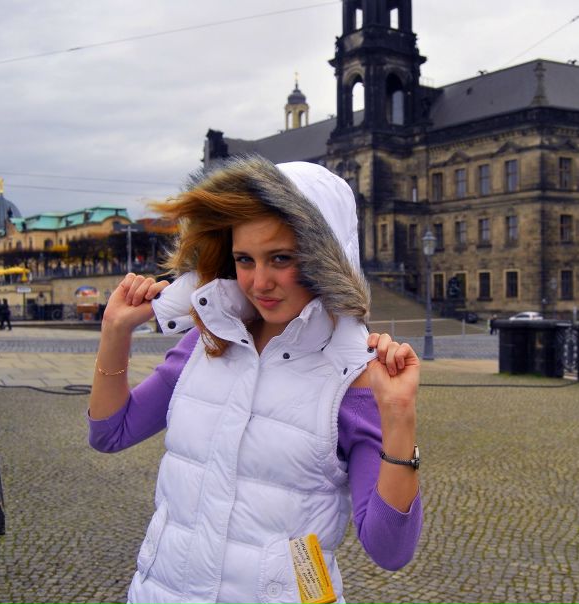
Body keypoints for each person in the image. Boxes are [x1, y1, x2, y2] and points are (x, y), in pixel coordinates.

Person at [87, 156, 422, 604]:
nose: (259, 282)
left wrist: (399, 417)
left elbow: (390, 550)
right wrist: (115, 332)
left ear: (327, 260)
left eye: (280, 258)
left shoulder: (353, 380)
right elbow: (110, 433)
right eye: (245, 259)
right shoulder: (206, 341)